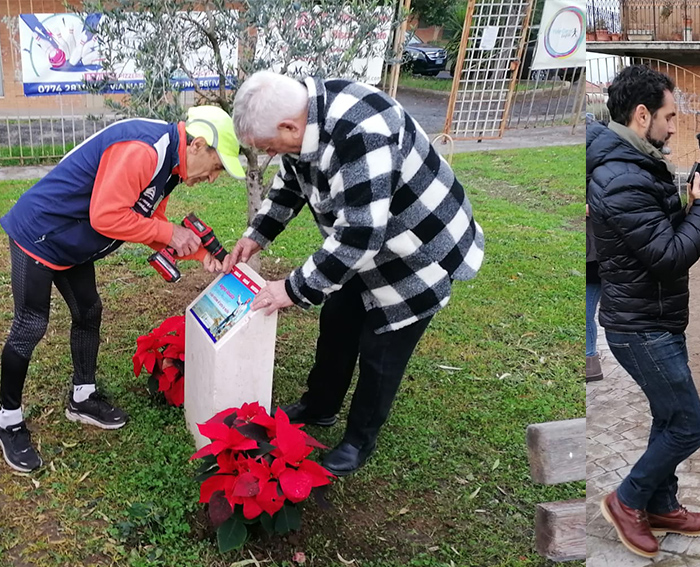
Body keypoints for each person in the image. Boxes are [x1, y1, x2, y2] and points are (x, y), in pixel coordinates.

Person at [226, 71, 484, 477]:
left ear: (289, 126)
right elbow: (291, 183)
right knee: (337, 322)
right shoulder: (305, 117)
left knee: (381, 348)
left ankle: (359, 441)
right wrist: (257, 234)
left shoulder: (363, 132)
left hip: (417, 250)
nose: (273, 154)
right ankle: (320, 406)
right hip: (367, 243)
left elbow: (360, 238)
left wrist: (291, 289)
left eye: (270, 146)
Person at [0, 106, 242, 473]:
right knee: (31, 325)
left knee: (89, 311)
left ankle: (82, 398)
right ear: (197, 144)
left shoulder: (170, 167)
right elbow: (107, 215)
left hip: (72, 243)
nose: (213, 178)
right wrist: (169, 233)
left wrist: (200, 253)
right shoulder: (145, 149)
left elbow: (146, 220)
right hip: (39, 234)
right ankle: (8, 420)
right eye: (217, 165)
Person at [588, 64, 700, 558]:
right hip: (641, 328)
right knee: (690, 425)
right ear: (642, 113)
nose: (675, 127)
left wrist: (695, 198)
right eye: (669, 117)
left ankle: (662, 505)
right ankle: (627, 501)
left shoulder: (638, 163)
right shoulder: (620, 176)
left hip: (658, 320)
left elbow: (660, 233)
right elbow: (668, 255)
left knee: (667, 418)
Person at [585, 102, 610, 383]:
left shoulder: (602, 174)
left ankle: (590, 359)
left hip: (597, 255)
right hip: (597, 253)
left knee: (587, 312)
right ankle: (590, 359)